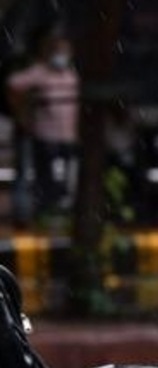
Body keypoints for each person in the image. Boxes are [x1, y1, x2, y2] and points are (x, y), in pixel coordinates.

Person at [6, 30, 79, 226]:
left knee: (63, 179)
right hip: (45, 136)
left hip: (68, 136)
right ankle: (40, 213)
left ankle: (58, 212)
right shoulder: (39, 72)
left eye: (66, 50)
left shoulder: (70, 74)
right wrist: (21, 114)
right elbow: (13, 85)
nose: (62, 55)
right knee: (45, 178)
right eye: (59, 50)